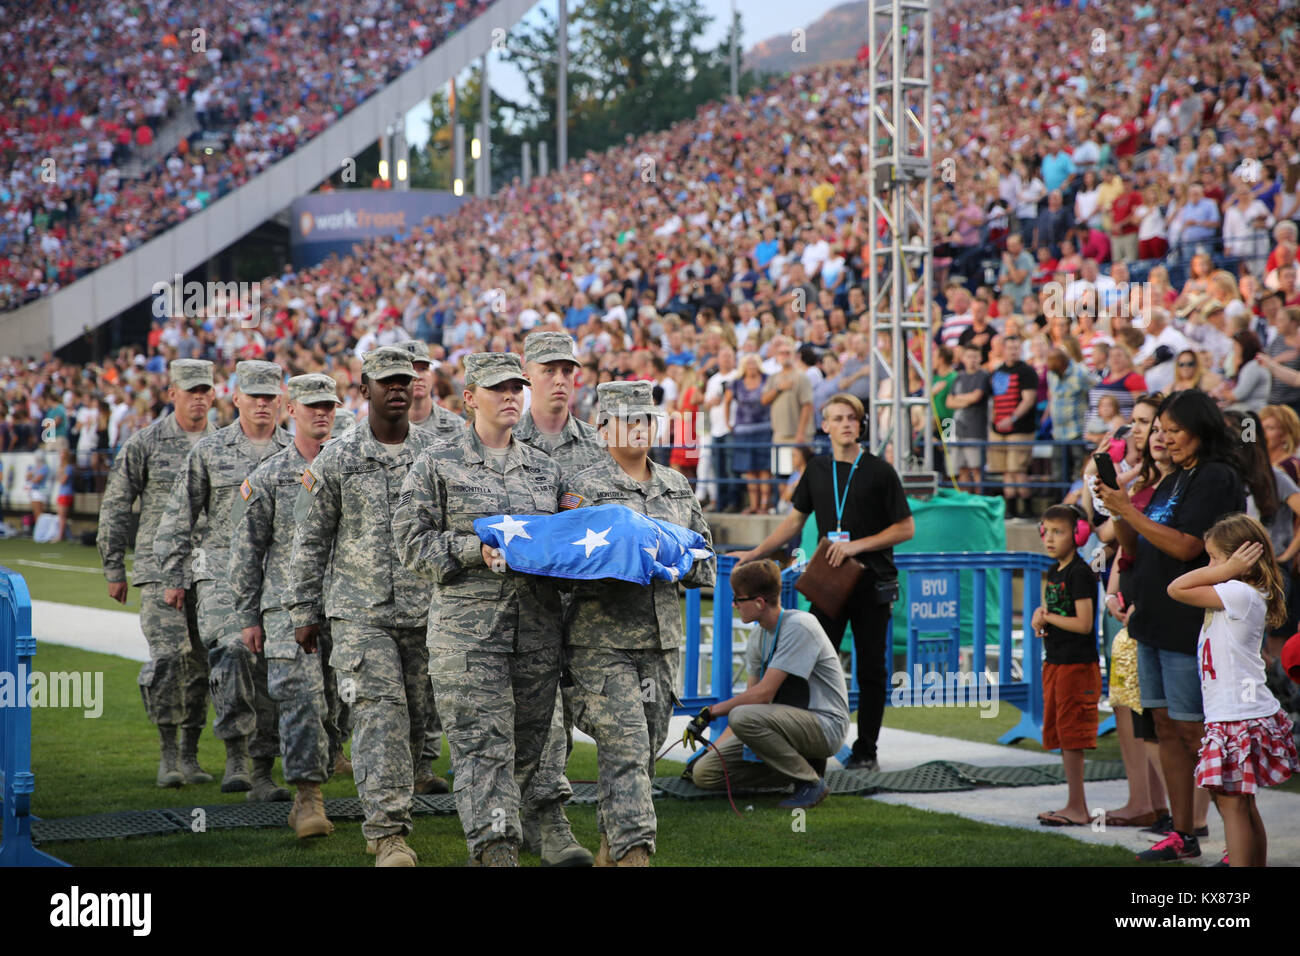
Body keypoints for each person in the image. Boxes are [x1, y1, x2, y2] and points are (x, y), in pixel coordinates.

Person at [393, 352, 566, 867]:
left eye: (517, 386)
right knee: (482, 749)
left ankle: (498, 836)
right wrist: (475, 549)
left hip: (536, 635)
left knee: (528, 750)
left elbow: (562, 542)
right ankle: (495, 852)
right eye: (498, 388)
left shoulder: (545, 469)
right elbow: (410, 542)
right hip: (468, 638)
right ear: (469, 398)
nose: (511, 395)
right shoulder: (436, 462)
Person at [285, 347, 440, 867]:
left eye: (406, 381)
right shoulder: (338, 457)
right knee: (379, 716)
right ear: (365, 388)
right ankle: (387, 834)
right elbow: (308, 538)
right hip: (359, 614)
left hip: (424, 613)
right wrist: (303, 610)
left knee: (418, 722)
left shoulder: (436, 452)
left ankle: (396, 809)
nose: (399, 389)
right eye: (387, 382)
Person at [562, 380, 716, 865]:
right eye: (628, 420)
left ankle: (611, 846)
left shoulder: (676, 485)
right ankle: (636, 855)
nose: (639, 428)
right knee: (625, 747)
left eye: (646, 419)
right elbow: (562, 565)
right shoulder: (580, 486)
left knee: (643, 755)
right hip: (599, 642)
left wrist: (670, 557)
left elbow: (704, 563)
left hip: (661, 642)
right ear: (602, 429)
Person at [1097, 389, 1246, 862]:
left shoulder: (1218, 477)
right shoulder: (1171, 478)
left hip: (1191, 624)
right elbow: (1135, 548)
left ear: (1201, 429)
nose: (1166, 439)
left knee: (1194, 732)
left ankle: (1236, 840)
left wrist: (1129, 510)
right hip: (1153, 622)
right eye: (1161, 431)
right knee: (1165, 727)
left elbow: (1187, 547)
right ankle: (1183, 834)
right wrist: (1119, 507)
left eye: (1174, 431)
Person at [733, 393, 914, 770]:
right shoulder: (817, 469)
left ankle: (867, 751)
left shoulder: (880, 470)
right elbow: (793, 522)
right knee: (807, 663)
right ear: (825, 425)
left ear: (861, 425)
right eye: (839, 418)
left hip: (872, 582)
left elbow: (905, 528)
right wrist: (752, 554)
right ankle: (810, 754)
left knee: (871, 669)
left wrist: (856, 547)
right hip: (828, 583)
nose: (847, 424)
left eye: (853, 418)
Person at [154, 360, 291, 799]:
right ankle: (237, 752)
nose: (264, 404)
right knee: (232, 651)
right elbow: (177, 517)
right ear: (236, 399)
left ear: (282, 401)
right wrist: (174, 575)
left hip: (279, 577)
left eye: (271, 397)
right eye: (255, 396)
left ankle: (264, 768)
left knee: (273, 665)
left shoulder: (297, 452)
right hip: (220, 575)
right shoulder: (210, 451)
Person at [229, 374, 343, 840]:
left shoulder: (349, 466)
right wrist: (246, 616)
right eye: (312, 405)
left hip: (349, 607)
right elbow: (243, 547)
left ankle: (329, 783)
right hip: (285, 612)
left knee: (339, 708)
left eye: (329, 406)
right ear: (291, 410)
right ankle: (307, 798)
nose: (322, 413)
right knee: (302, 703)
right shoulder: (267, 476)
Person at [97, 359, 216, 788]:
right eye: (190, 390)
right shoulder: (144, 443)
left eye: (205, 390)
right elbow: (116, 504)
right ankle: (168, 755)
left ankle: (191, 754)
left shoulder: (222, 444)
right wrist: (114, 566)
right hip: (158, 569)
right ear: (172, 394)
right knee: (168, 659)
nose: (198, 397)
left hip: (210, 573)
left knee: (203, 664)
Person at [512, 330, 603, 867]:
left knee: (563, 720)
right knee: (532, 718)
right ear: (527, 374)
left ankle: (530, 811)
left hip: (583, 609)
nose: (561, 379)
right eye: (549, 369)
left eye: (568, 369)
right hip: (520, 607)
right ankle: (548, 821)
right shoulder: (503, 438)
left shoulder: (595, 444)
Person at [1167, 515, 1300, 866]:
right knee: (1242, 802)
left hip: (1236, 715)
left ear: (1241, 560)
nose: (1209, 566)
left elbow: (1176, 588)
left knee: (1231, 804)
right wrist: (1225, 568)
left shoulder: (1237, 591)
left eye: (1214, 558)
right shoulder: (1240, 593)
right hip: (1239, 711)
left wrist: (1224, 570)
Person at [1031, 505, 1100, 827]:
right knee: (1061, 735)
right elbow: (1050, 610)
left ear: (1078, 535)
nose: (1050, 539)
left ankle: (1079, 807)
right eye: (1046, 531)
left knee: (1073, 737)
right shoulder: (1056, 570)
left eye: (1058, 532)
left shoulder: (1080, 573)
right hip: (1056, 663)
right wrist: (1039, 618)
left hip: (1077, 666)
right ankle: (1074, 803)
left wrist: (1051, 618)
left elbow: (1084, 624)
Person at [988, 330, 1039, 518]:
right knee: (1005, 471)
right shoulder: (998, 371)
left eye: (1016, 348)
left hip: (1020, 428)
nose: (1013, 351)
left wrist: (1013, 418)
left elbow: (1029, 399)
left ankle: (1025, 508)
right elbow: (994, 397)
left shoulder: (1027, 371)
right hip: (999, 428)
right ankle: (1010, 508)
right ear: (1003, 349)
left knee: (1018, 470)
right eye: (1010, 348)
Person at [729, 354, 773, 513]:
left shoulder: (767, 379)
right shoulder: (737, 382)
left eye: (755, 363)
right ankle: (754, 505)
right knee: (749, 470)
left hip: (764, 429)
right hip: (744, 431)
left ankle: (764, 505)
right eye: (749, 364)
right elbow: (727, 400)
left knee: (764, 469)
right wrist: (729, 422)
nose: (752, 366)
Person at [398, 338, 466, 440]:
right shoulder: (381, 427)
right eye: (409, 369)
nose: (417, 376)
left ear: (432, 376)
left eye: (423, 369)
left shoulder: (457, 427)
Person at [947, 345, 990, 491]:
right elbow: (949, 402)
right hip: (958, 430)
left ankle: (979, 502)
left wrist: (958, 399)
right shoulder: (958, 376)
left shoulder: (983, 375)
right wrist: (965, 400)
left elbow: (976, 396)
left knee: (976, 469)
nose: (972, 360)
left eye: (975, 356)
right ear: (963, 358)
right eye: (969, 356)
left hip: (975, 430)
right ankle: (965, 501)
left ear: (980, 358)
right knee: (962, 469)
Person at [54, 449, 74, 541]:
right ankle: (63, 534)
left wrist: (60, 474)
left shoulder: (68, 468)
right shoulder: (61, 467)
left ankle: (60, 536)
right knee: (60, 516)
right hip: (62, 493)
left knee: (62, 516)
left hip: (66, 494)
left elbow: (63, 480)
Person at [25, 452, 49, 525]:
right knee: (35, 512)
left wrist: (32, 477)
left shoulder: (45, 467)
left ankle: (40, 528)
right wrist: (32, 477)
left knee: (39, 512)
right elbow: (27, 477)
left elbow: (38, 479)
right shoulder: (34, 467)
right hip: (34, 490)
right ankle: (38, 528)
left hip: (41, 490)